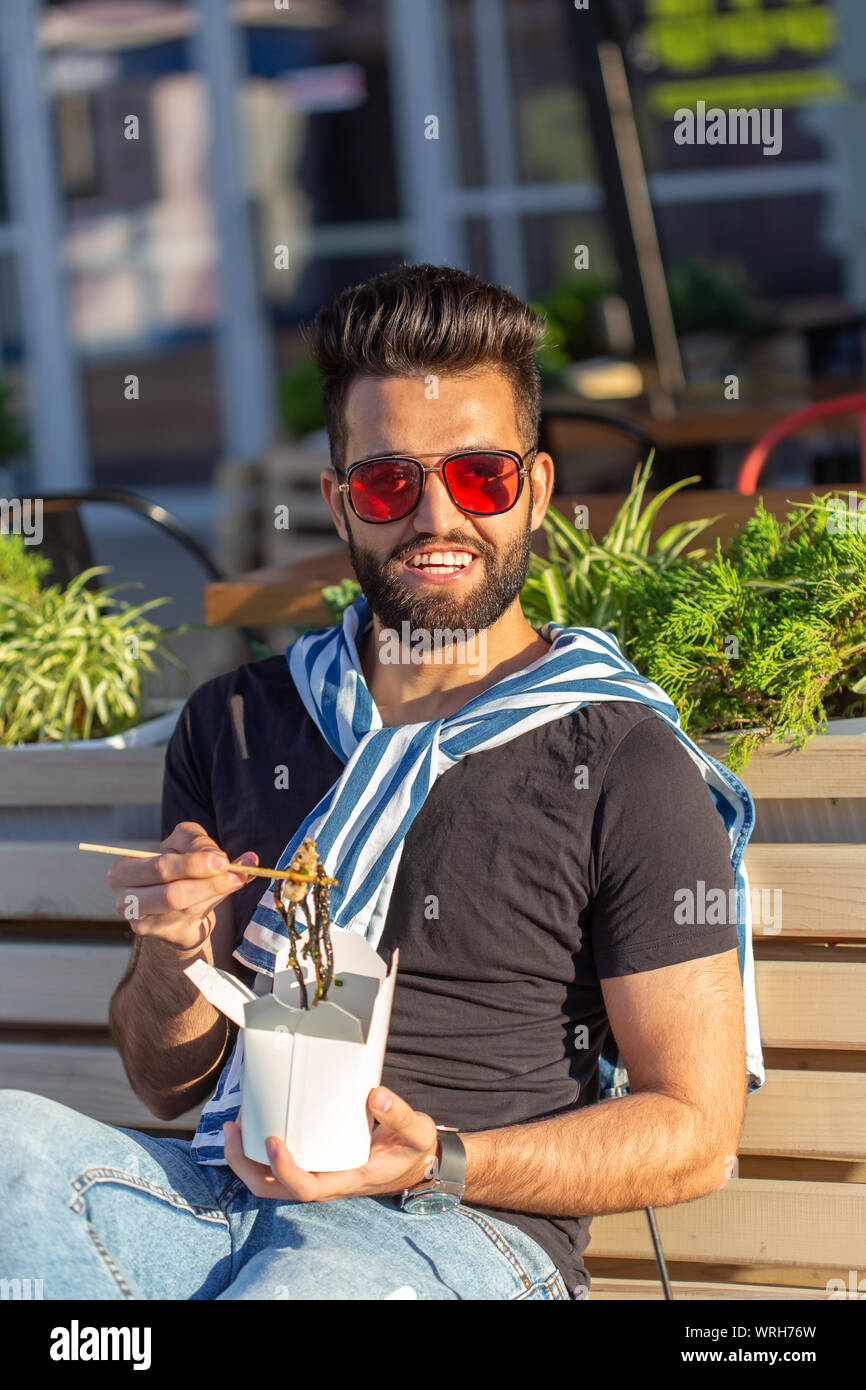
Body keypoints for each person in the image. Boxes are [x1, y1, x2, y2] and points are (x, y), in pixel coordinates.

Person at [0, 263, 762, 1301]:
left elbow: (692, 1133)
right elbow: (168, 1082)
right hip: (213, 1193)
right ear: (341, 503)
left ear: (535, 491)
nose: (436, 517)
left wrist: (441, 1155)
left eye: (480, 477)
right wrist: (172, 950)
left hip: (453, 1229)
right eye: (389, 481)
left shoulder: (619, 757)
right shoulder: (239, 717)